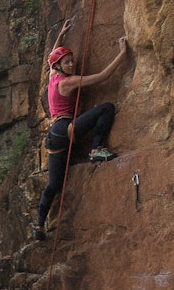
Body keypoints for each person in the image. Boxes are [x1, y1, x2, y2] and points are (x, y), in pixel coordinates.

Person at [33, 19, 128, 240]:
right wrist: (123, 53)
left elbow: (51, 57)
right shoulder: (68, 82)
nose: (71, 65)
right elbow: (103, 76)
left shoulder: (53, 77)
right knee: (107, 108)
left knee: (54, 184)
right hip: (64, 128)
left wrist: (61, 35)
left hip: (54, 136)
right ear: (59, 66)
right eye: (67, 63)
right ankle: (96, 149)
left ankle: (38, 225)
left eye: (72, 62)